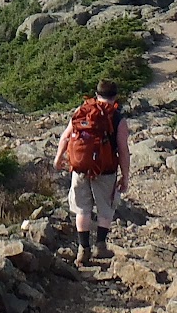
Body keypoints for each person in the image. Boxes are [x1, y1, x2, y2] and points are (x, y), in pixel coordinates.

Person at [52, 78, 131, 265]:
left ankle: (83, 249)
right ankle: (100, 246)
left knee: (82, 209)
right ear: (115, 96)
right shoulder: (118, 118)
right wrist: (125, 176)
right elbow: (123, 150)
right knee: (105, 208)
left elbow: (65, 137)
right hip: (105, 170)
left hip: (80, 167)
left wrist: (58, 158)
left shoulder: (82, 111)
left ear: (97, 94)